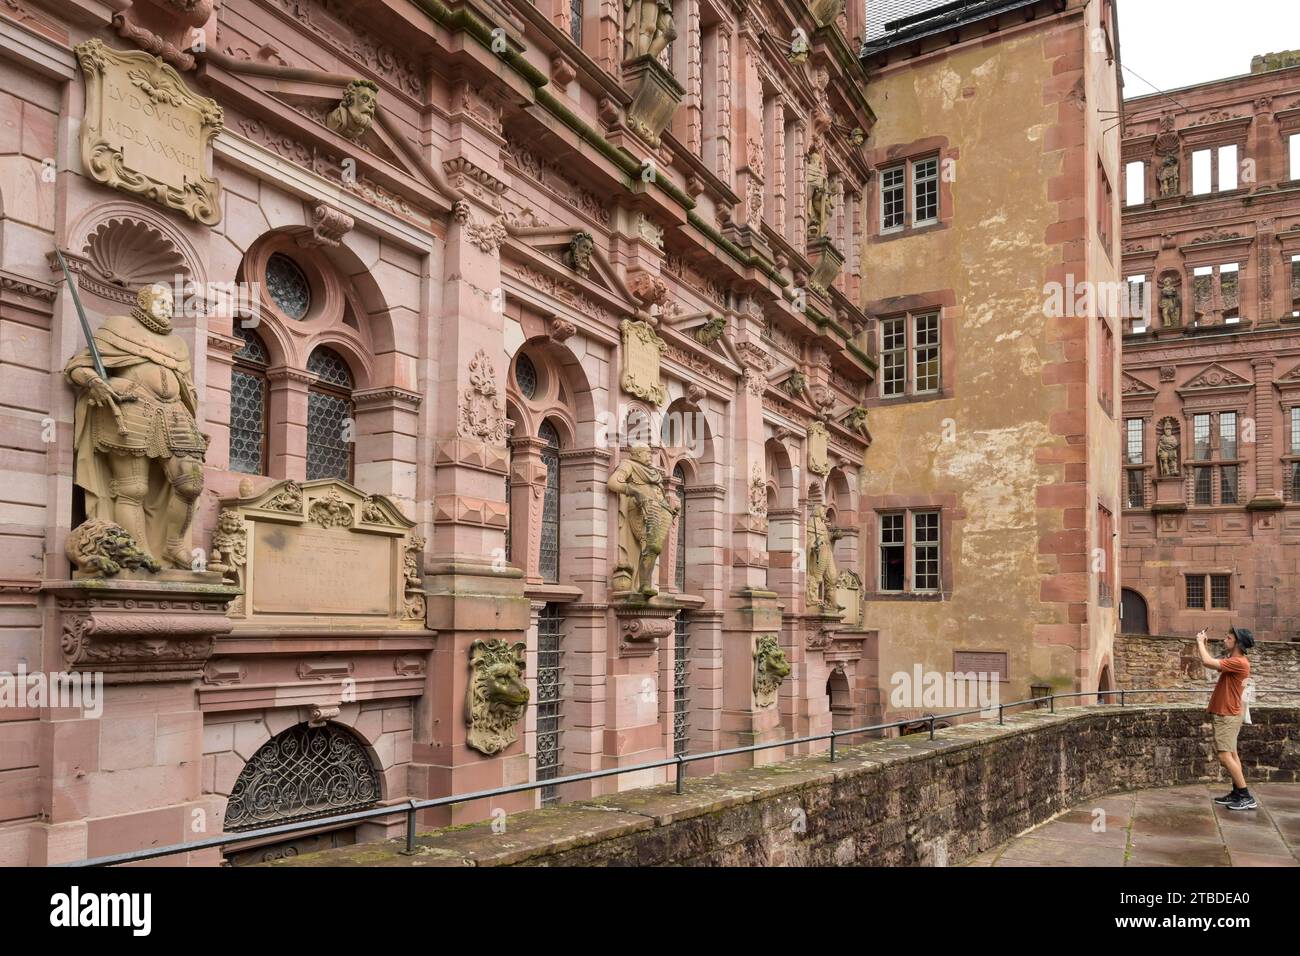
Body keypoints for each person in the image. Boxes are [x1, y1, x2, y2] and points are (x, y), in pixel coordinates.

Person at [1195, 625, 1256, 810]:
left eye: (1228, 637)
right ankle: (1237, 793)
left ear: (1237, 642)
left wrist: (1199, 642)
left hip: (1228, 714)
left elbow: (1207, 662)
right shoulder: (1236, 660)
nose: (1224, 640)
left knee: (1224, 756)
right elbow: (1215, 663)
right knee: (1232, 754)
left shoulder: (1239, 662)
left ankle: (1246, 796)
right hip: (1229, 713)